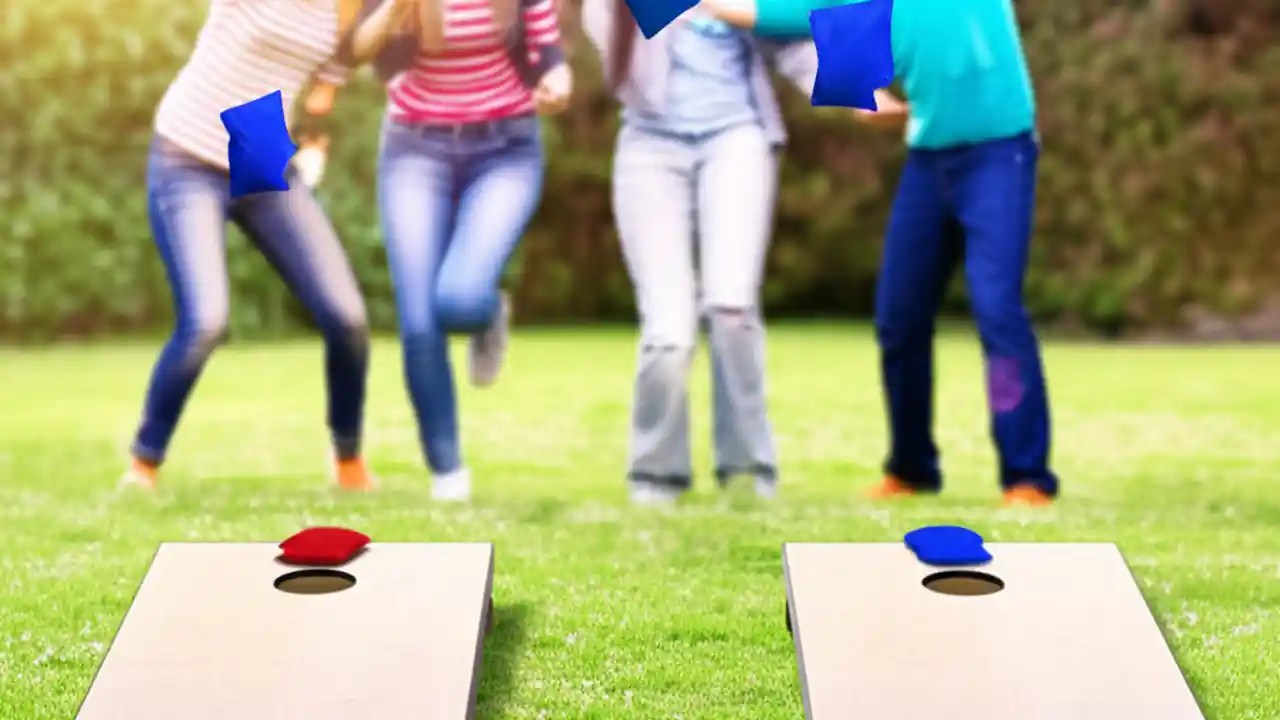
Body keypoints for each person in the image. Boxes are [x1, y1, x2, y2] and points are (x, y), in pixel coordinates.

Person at [702, 0, 1060, 506]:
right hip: (929, 160)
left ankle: (1027, 477)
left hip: (1001, 153)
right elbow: (779, 16)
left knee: (997, 309)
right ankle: (911, 469)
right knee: (899, 319)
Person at [581, 0, 862, 505]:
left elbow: (796, 47)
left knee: (731, 306)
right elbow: (617, 65)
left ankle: (749, 468)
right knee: (669, 331)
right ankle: (655, 475)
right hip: (650, 148)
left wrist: (859, 91)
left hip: (737, 140)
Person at [122, 0, 375, 492]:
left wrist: (316, 127)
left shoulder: (346, 6)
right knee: (206, 320)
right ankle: (143, 463)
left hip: (260, 151)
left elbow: (334, 70)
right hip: (189, 155)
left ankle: (348, 462)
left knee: (347, 317)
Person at [340, 0, 570, 502]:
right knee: (419, 323)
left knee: (460, 301)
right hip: (414, 150)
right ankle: (448, 472)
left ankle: (486, 311)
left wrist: (559, 76)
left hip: (505, 149)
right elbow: (357, 48)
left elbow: (547, 46)